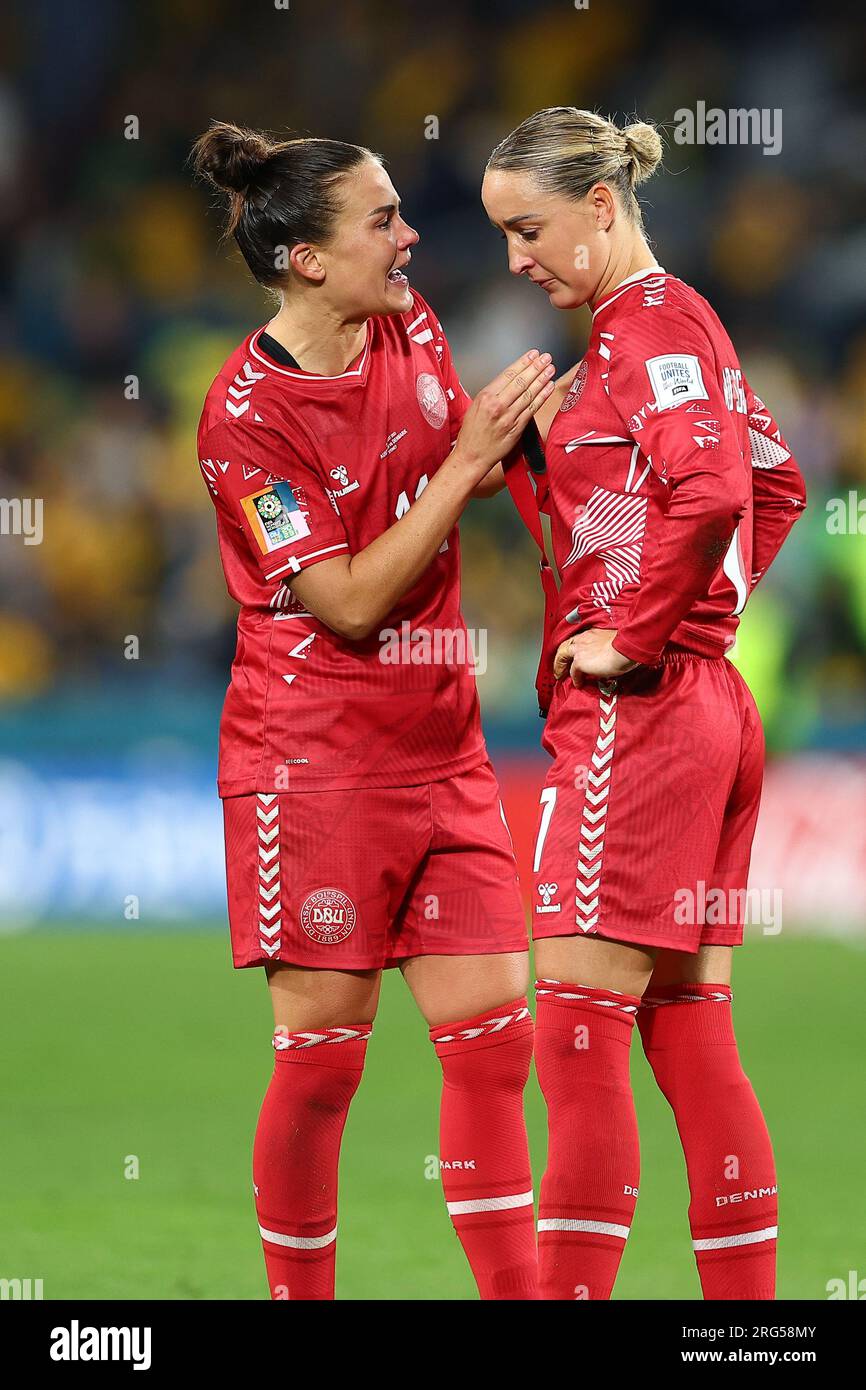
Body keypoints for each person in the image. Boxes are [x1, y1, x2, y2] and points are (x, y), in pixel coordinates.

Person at [190, 121, 556, 1300]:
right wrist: (465, 467)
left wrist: (564, 446)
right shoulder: (243, 417)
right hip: (314, 760)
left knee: (498, 1043)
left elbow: (465, 461)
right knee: (321, 1068)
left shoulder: (410, 321)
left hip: (440, 743)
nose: (408, 237)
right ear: (304, 257)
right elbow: (343, 598)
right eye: (381, 220)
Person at [482, 107, 807, 1300]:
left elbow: (719, 489)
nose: (516, 259)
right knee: (687, 1031)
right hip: (706, 709)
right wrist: (690, 613)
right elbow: (777, 480)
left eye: (528, 229)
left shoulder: (646, 330)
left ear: (600, 207)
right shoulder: (678, 328)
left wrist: (643, 631)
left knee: (572, 1037)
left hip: (644, 713)